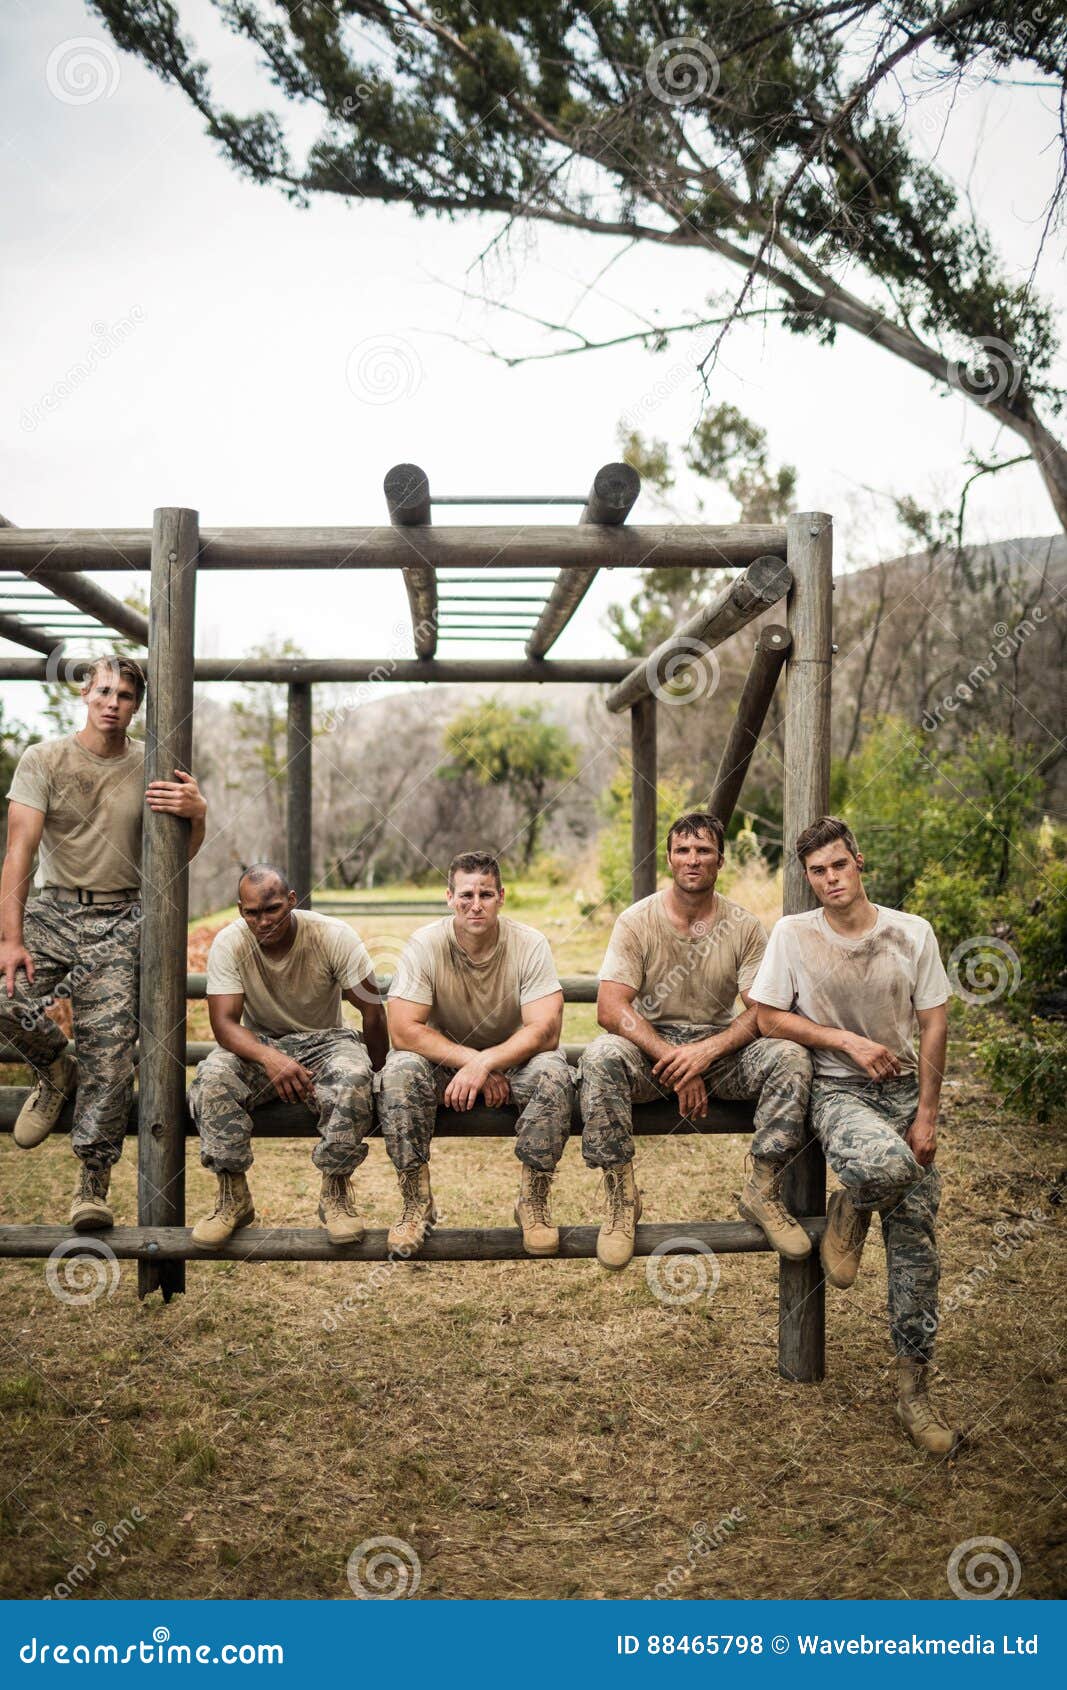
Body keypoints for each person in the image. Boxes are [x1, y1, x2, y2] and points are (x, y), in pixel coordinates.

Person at [749, 815, 958, 1456]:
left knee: (918, 1245)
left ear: (858, 862)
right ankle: (850, 1202)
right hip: (839, 1090)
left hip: (903, 1093)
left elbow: (934, 1021)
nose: (830, 879)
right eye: (817, 871)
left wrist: (927, 1113)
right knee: (887, 1167)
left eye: (839, 865)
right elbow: (765, 1017)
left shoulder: (909, 932)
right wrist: (843, 1040)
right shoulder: (793, 934)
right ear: (807, 878)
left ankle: (914, 1393)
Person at [0, 655, 206, 1230]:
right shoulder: (45, 759)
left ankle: (91, 1185)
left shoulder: (152, 764)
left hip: (121, 917)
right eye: (105, 691)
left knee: (110, 1053)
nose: (113, 703)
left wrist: (200, 814)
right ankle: (53, 1069)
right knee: (4, 999)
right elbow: (18, 853)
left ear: (138, 706)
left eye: (126, 696)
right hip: (53, 908)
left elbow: (176, 859)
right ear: (85, 692)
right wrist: (11, 938)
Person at [579, 811, 813, 1270]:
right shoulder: (636, 920)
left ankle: (764, 1188)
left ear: (720, 860)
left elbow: (762, 1012)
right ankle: (622, 1196)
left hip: (719, 1049)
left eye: (704, 850)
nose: (693, 859)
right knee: (601, 1055)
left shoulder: (743, 926)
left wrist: (705, 1052)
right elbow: (610, 1008)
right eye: (683, 850)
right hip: (653, 1052)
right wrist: (674, 1058)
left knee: (790, 1054)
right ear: (669, 859)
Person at [378, 851, 573, 1257]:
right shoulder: (426, 944)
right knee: (400, 1071)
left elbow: (546, 1029)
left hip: (511, 1061)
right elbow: (402, 1029)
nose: (476, 904)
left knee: (553, 1071)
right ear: (449, 897)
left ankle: (533, 1200)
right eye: (466, 894)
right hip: (445, 1064)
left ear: (502, 896)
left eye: (486, 894)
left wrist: (487, 1062)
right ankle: (416, 1200)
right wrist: (470, 1060)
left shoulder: (529, 943)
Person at [188, 865, 388, 1246]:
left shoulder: (332, 935)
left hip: (326, 1041)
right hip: (261, 1043)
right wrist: (269, 1057)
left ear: (292, 901)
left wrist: (378, 1076)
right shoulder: (231, 943)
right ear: (240, 910)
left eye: (272, 909)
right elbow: (225, 1024)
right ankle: (232, 1195)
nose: (263, 921)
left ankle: (336, 1191)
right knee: (212, 1078)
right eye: (252, 913)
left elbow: (373, 1012)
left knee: (353, 1075)